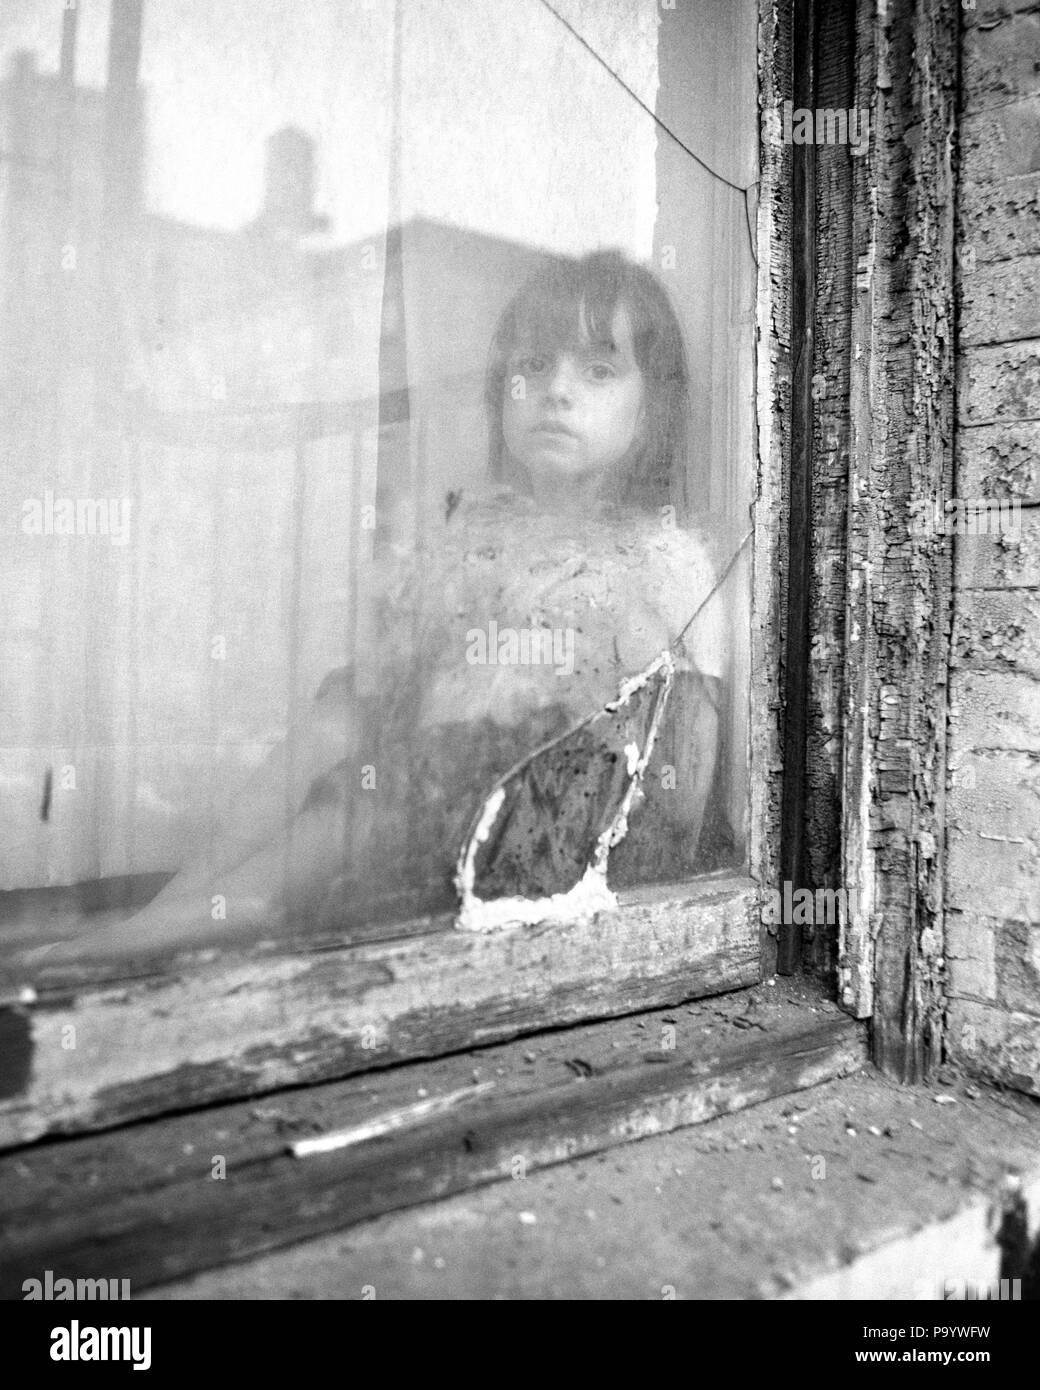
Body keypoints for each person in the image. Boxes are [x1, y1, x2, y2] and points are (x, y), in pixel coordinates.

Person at [39, 249, 728, 961]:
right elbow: (394, 681)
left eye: (598, 370)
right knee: (341, 711)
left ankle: (228, 909)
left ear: (649, 417)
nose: (556, 390)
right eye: (534, 365)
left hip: (527, 843)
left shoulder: (657, 561)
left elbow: (680, 774)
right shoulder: (477, 534)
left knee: (408, 768)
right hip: (415, 803)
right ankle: (179, 902)